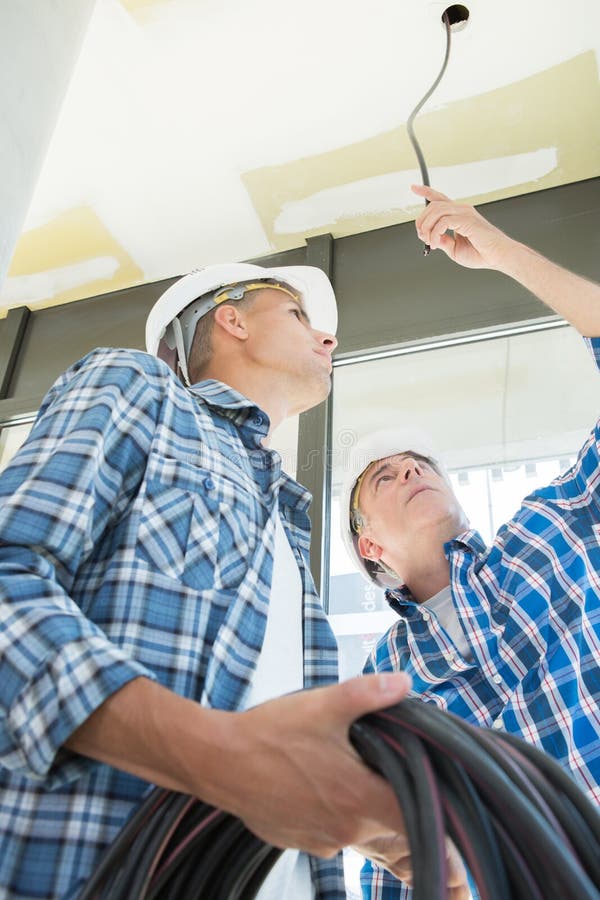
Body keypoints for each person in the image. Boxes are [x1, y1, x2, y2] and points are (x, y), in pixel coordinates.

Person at [0, 261, 418, 899]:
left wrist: (357, 816)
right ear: (233, 319)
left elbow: (266, 745)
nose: (329, 339)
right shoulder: (137, 386)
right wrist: (218, 757)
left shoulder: (284, 520)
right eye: (300, 315)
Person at [341, 186, 600, 899]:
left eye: (422, 465)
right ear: (370, 550)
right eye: (386, 478)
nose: (413, 472)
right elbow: (393, 863)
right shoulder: (384, 689)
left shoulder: (547, 534)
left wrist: (505, 253)